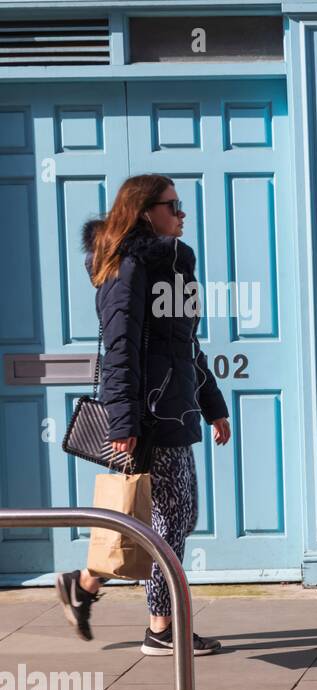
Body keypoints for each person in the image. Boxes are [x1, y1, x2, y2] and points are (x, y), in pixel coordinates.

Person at [56, 174, 231, 656]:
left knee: (171, 517)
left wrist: (212, 403)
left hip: (176, 410)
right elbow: (119, 351)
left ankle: (85, 585)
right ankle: (161, 628)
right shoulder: (126, 269)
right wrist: (124, 423)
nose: (182, 214)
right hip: (149, 418)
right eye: (173, 205)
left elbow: (185, 344)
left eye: (181, 206)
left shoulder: (179, 264)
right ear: (144, 211)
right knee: (171, 521)